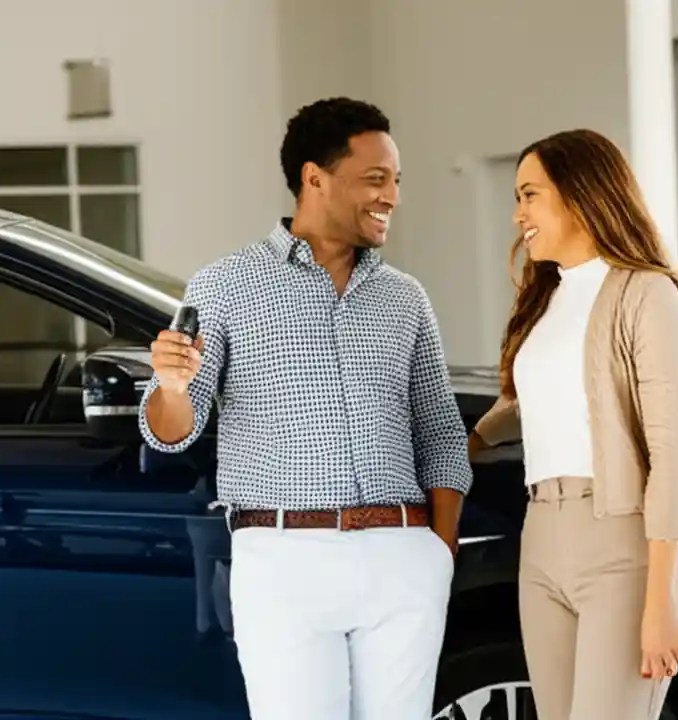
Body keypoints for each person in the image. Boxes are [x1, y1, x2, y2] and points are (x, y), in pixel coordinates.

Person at [139, 97, 473, 720]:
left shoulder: (405, 298)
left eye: (396, 181)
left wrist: (438, 557)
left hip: (403, 560)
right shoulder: (225, 284)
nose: (392, 197)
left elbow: (441, 434)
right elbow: (171, 435)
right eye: (375, 179)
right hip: (284, 559)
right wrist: (173, 386)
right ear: (314, 178)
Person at [468, 129, 678, 720]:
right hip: (542, 540)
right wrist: (464, 445)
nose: (518, 213)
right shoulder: (547, 296)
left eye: (530, 195)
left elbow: (672, 455)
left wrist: (661, 601)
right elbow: (533, 403)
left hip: (623, 546)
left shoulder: (648, 294)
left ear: (579, 194)